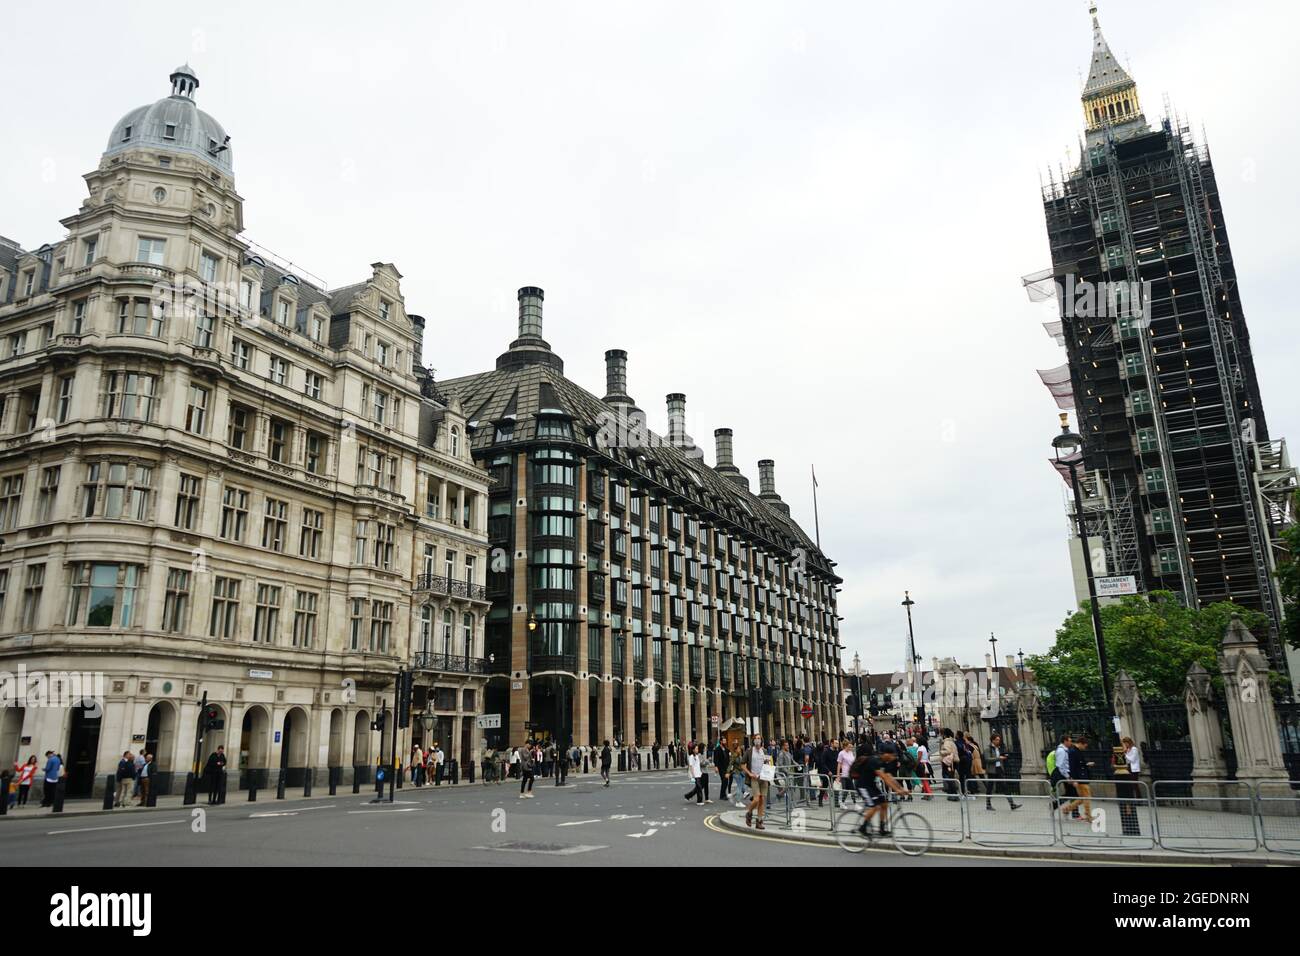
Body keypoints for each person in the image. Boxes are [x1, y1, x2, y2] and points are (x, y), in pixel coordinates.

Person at [849, 740, 908, 838]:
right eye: (893, 755)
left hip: (871, 785)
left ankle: (882, 829)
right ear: (886, 754)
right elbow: (883, 777)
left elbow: (889, 776)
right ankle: (862, 827)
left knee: (884, 804)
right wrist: (897, 791)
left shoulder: (883, 762)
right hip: (863, 786)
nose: (894, 758)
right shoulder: (874, 760)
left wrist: (900, 788)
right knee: (874, 806)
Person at [1060, 735, 1096, 822]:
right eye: (1084, 746)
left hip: (1082, 776)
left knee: (1082, 798)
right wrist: (1074, 779)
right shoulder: (1073, 751)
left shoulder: (1077, 750)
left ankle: (1066, 809)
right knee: (1086, 797)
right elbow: (1072, 766)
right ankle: (1088, 816)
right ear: (1080, 743)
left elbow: (1079, 765)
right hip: (1080, 777)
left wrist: (1087, 764)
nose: (1085, 748)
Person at [984, 733, 1021, 810]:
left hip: (999, 769)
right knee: (990, 788)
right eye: (997, 740)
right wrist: (999, 758)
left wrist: (1003, 757)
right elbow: (987, 759)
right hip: (992, 770)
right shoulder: (988, 749)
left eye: (999, 740)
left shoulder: (998, 748)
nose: (998, 741)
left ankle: (1012, 804)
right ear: (992, 740)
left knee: (1005, 786)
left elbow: (1000, 758)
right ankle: (988, 804)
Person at [743, 734, 771, 830]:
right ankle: (749, 813)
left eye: (759, 738)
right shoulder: (749, 751)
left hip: (764, 778)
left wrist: (768, 770)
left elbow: (768, 764)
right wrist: (749, 774)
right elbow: (743, 764)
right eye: (756, 738)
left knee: (762, 800)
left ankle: (759, 821)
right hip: (754, 778)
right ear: (753, 740)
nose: (758, 740)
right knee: (756, 799)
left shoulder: (765, 751)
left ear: (762, 740)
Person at [1115, 736, 1142, 835]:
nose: (1124, 745)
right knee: (1131, 786)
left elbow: (1131, 759)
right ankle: (1134, 800)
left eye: (1125, 743)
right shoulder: (1128, 750)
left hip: (1134, 769)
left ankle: (1139, 800)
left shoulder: (1134, 749)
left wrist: (1124, 753)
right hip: (1128, 769)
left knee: (1135, 785)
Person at [1051, 733, 1073, 812]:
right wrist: (1067, 777)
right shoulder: (1061, 751)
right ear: (1065, 741)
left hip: (1065, 773)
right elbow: (1060, 765)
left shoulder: (1065, 750)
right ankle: (1055, 805)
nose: (1071, 743)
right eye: (1070, 741)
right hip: (1064, 774)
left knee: (1071, 793)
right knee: (1071, 793)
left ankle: (1055, 805)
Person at [939, 729, 959, 800]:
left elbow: (948, 751)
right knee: (951, 777)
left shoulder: (946, 742)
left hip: (948, 763)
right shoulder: (952, 742)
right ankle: (952, 794)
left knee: (948, 778)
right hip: (953, 761)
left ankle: (953, 794)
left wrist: (941, 752)